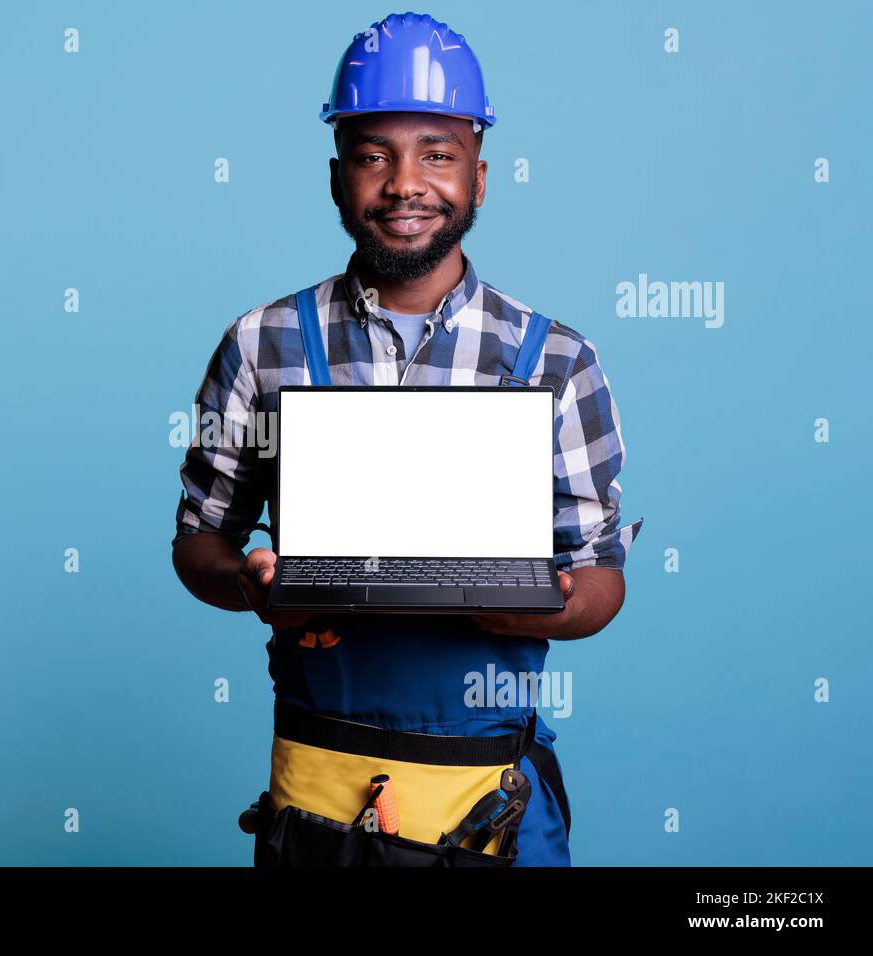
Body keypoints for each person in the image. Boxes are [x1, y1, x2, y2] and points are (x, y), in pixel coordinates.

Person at [171, 12, 642, 866]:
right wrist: (253, 585)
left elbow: (601, 574)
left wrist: (540, 603)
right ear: (336, 176)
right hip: (318, 796)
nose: (404, 183)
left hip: (486, 797)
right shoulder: (260, 344)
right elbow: (200, 541)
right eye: (373, 154)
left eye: (436, 152)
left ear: (480, 175)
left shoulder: (557, 361)